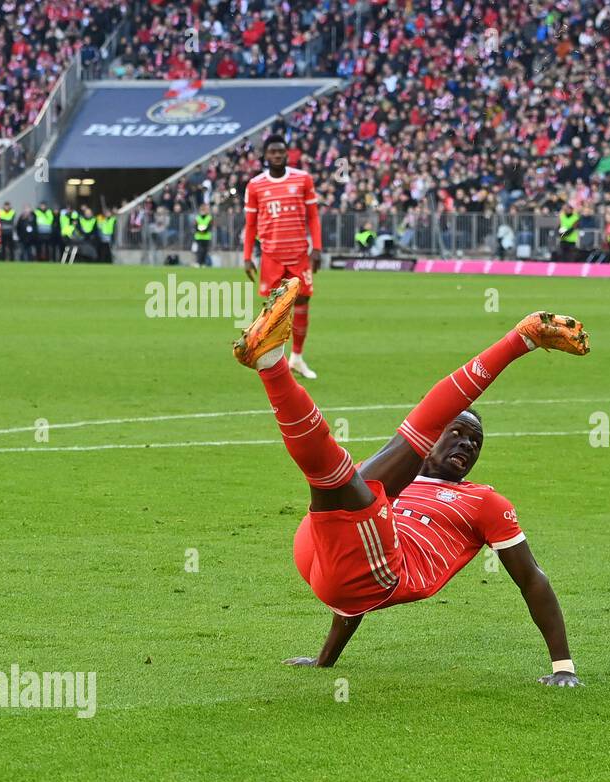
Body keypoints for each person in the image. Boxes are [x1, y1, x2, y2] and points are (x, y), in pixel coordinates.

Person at [232, 280, 590, 683]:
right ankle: (272, 365)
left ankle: (273, 367)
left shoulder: (485, 502)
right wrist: (324, 660)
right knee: (355, 476)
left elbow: (531, 578)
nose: (467, 444)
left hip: (380, 571)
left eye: (476, 441)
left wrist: (563, 667)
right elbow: (350, 575)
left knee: (344, 477)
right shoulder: (398, 478)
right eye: (457, 433)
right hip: (318, 551)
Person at [243, 133, 323, 379]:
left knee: (302, 302)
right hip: (271, 255)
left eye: (281, 151)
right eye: (272, 152)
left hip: (299, 253)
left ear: (287, 154)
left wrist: (317, 247)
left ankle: (297, 358)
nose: (277, 155)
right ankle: (273, 360)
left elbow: (312, 216)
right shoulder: (255, 185)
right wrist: (247, 256)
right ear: (265, 155)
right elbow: (250, 224)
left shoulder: (302, 179)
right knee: (274, 309)